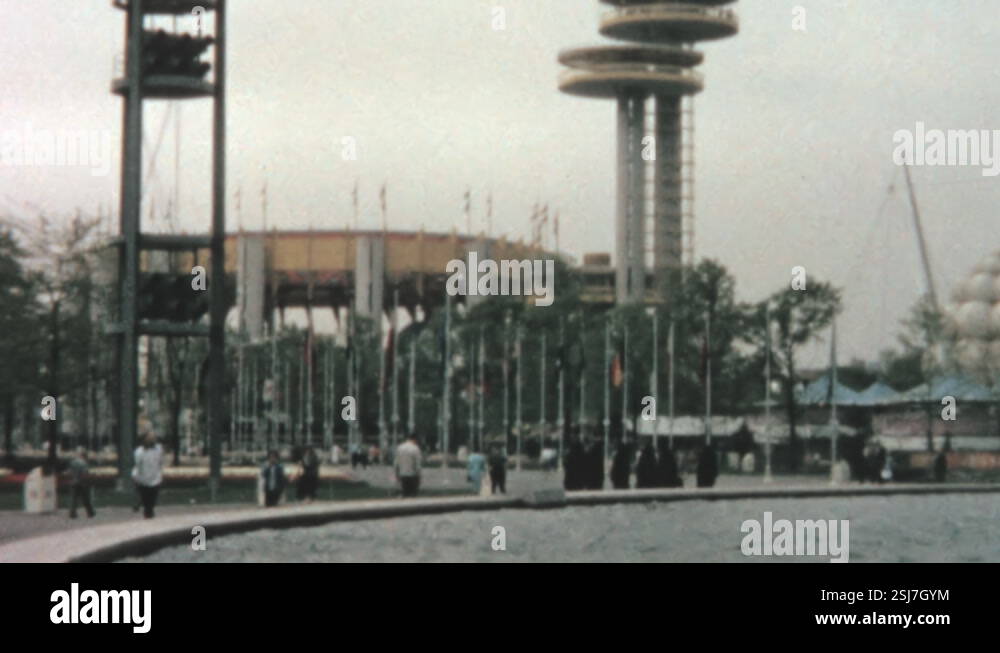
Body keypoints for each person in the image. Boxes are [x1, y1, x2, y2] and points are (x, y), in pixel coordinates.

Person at [132, 428, 164, 519]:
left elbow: (160, 461)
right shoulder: (139, 452)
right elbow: (137, 465)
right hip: (144, 478)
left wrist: (160, 472)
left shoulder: (159, 448)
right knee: (146, 498)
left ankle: (148, 510)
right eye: (150, 438)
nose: (153, 439)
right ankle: (147, 512)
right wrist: (136, 476)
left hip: (155, 477)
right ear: (145, 439)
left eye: (153, 437)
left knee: (153, 497)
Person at [68, 448, 96, 519]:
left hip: (74, 482)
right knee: (86, 499)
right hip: (82, 483)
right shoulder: (84, 463)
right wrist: (87, 481)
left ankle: (72, 513)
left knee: (74, 499)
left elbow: (70, 472)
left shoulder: (73, 462)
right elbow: (85, 474)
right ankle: (90, 513)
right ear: (84, 455)